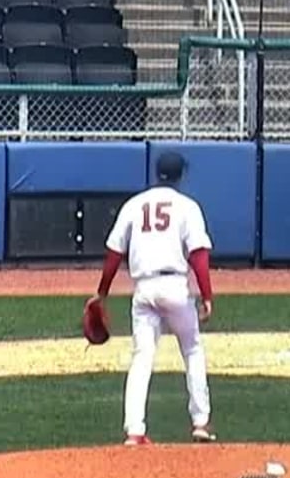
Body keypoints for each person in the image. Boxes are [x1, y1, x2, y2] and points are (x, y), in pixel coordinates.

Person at [89, 151, 215, 445]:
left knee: (142, 357)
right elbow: (198, 255)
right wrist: (206, 295)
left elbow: (114, 253)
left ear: (156, 174)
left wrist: (102, 292)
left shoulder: (134, 205)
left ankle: (135, 430)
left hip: (143, 290)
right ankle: (200, 423)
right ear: (181, 175)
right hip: (174, 287)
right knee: (193, 349)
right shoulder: (188, 207)